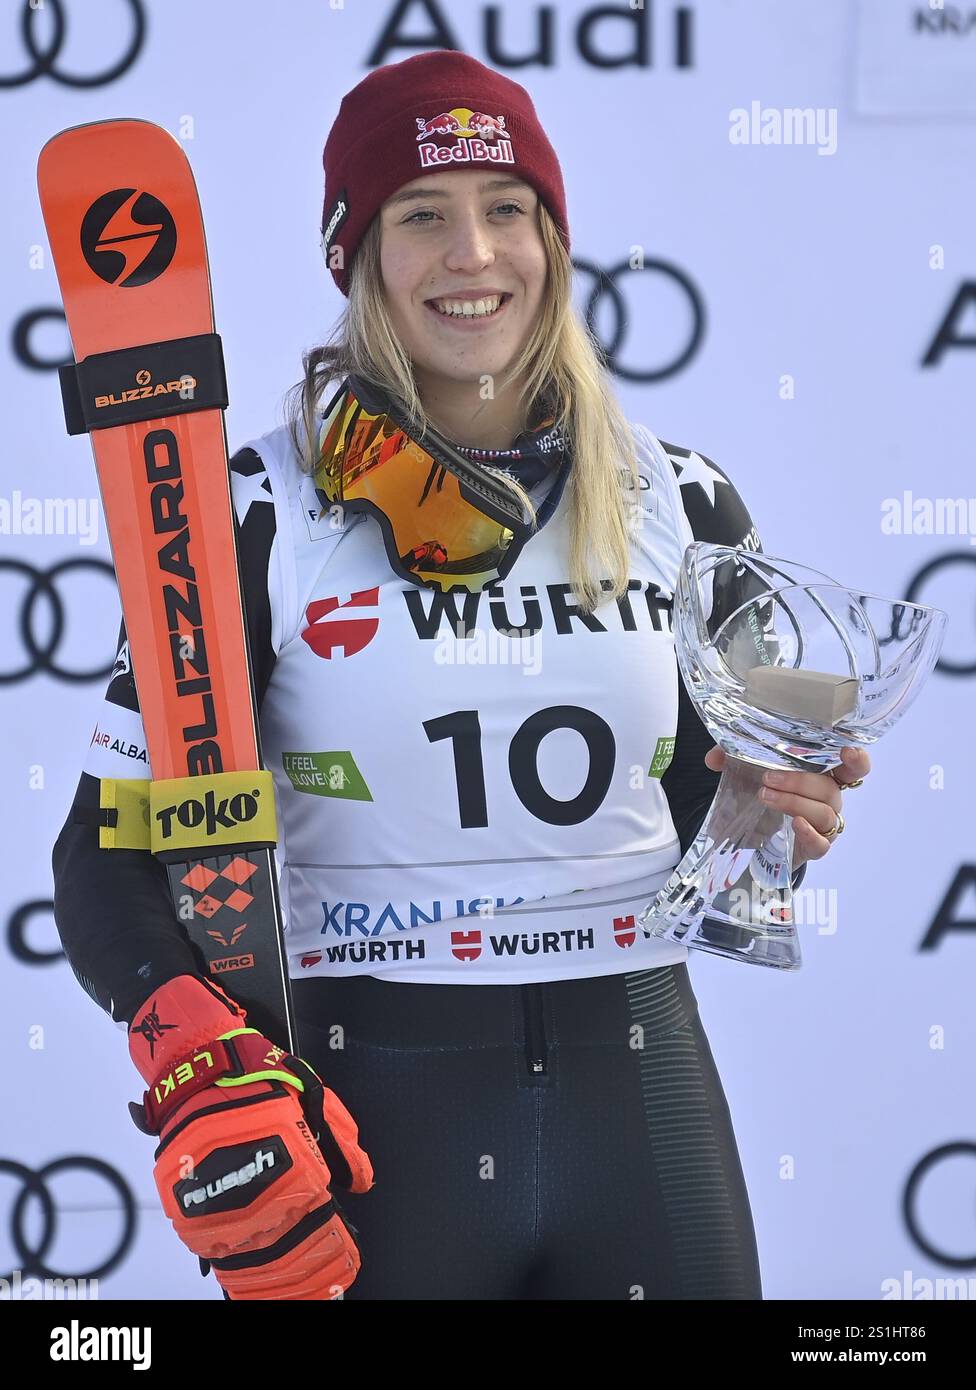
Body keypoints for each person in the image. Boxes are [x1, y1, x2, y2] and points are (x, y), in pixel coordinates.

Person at [52, 50, 870, 1301]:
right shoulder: (250, 512)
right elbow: (104, 854)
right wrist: (197, 1056)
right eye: (420, 216)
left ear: (552, 239)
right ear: (358, 257)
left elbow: (726, 816)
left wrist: (775, 811)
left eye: (506, 210)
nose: (472, 253)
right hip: (377, 1113)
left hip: (638, 1088)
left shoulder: (683, 497)